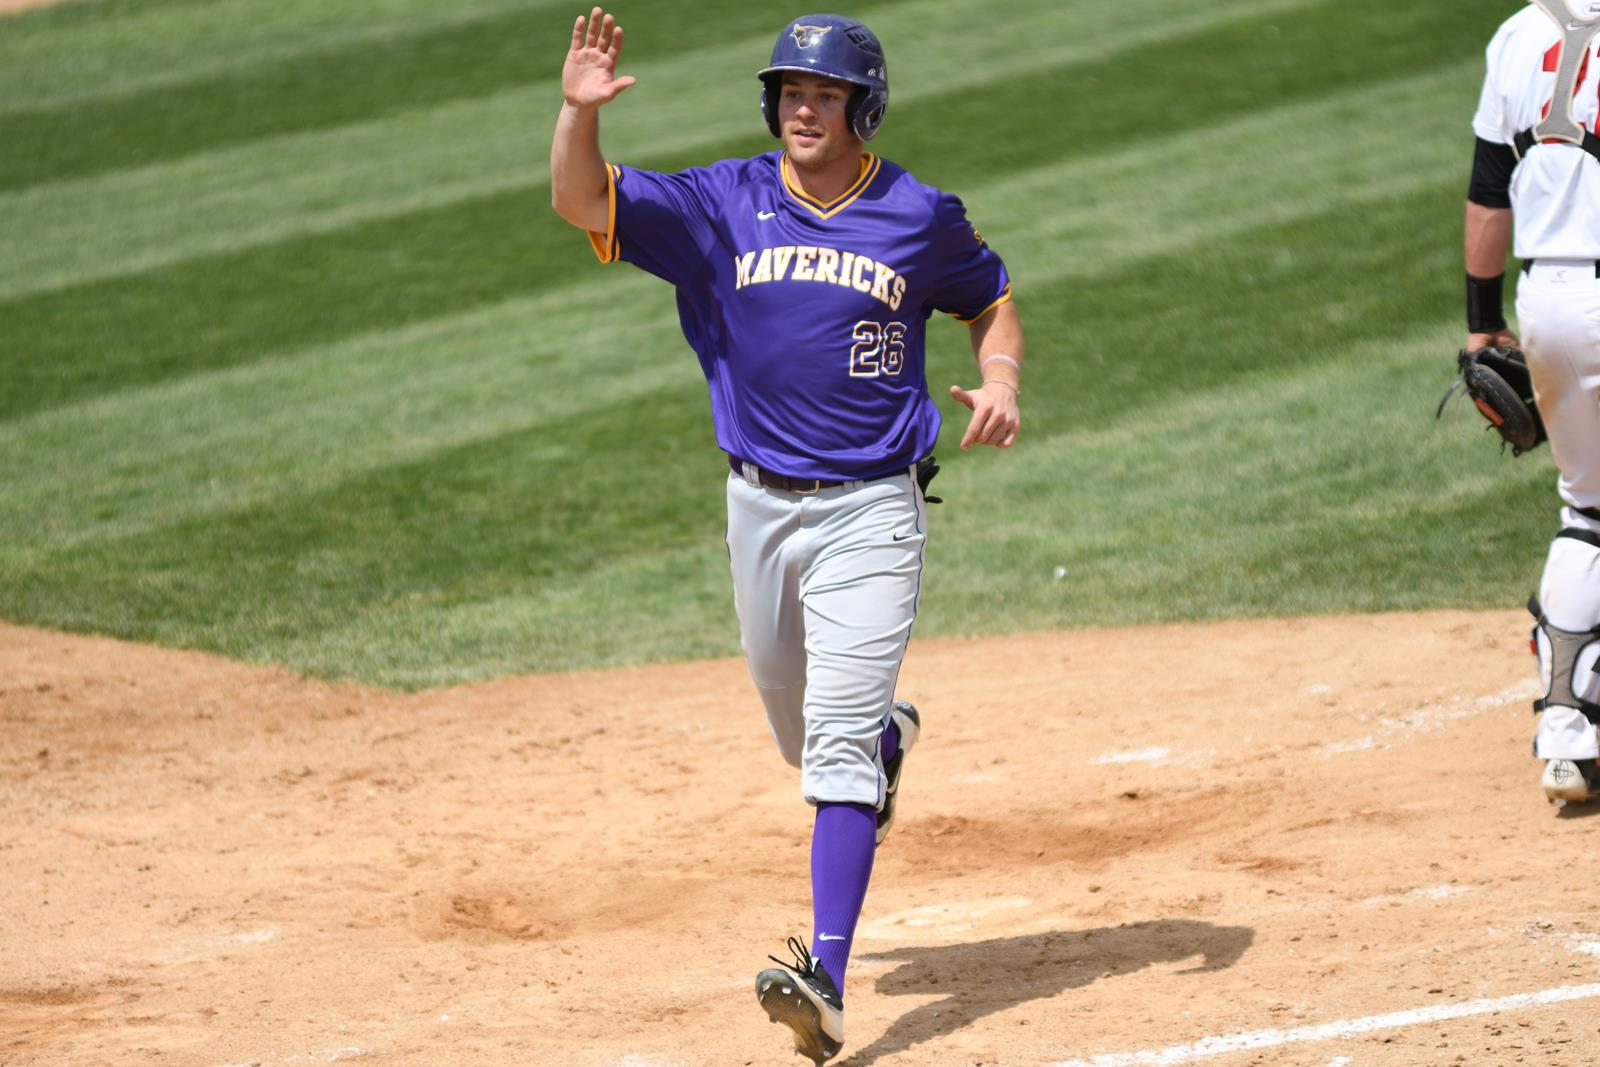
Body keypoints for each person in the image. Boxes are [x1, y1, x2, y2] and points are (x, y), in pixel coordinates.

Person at [551, 9, 1025, 1061]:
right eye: (790, 94)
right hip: (757, 507)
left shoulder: (915, 214)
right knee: (802, 733)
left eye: (825, 95)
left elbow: (990, 298)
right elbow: (579, 197)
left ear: (863, 107)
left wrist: (999, 379)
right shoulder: (720, 203)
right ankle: (885, 741)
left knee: (834, 756)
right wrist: (576, 116)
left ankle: (826, 977)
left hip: (871, 509)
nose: (804, 110)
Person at [1464, 0, 1600, 808]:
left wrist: (1483, 325)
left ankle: (1565, 728)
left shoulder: (1518, 35)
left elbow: (1489, 193)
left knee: (1587, 506)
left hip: (1548, 295)